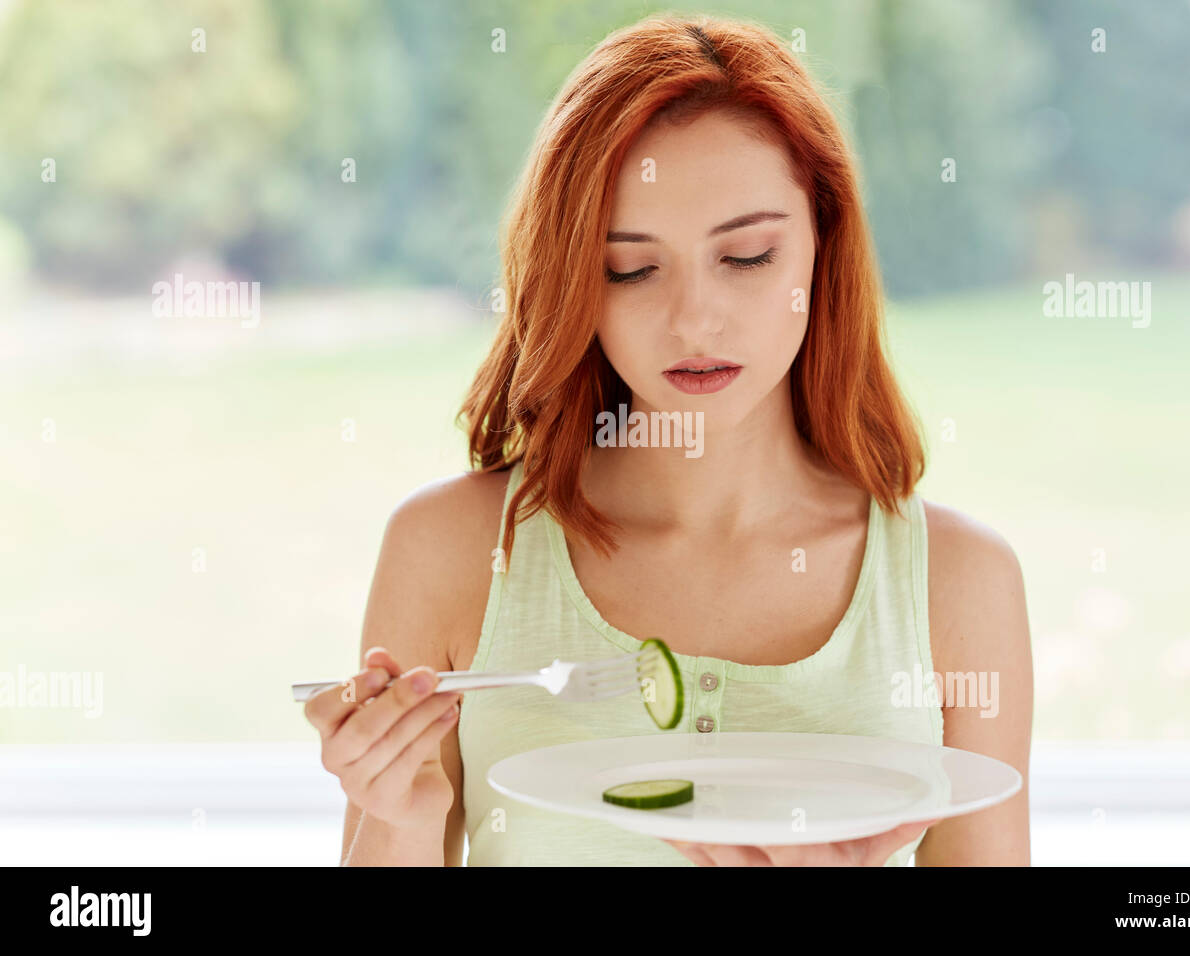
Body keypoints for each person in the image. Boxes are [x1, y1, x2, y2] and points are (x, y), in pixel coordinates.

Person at [306, 13, 1031, 866]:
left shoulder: (959, 583)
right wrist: (399, 816)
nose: (694, 319)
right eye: (631, 268)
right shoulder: (452, 551)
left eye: (749, 255)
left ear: (821, 248)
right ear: (575, 275)